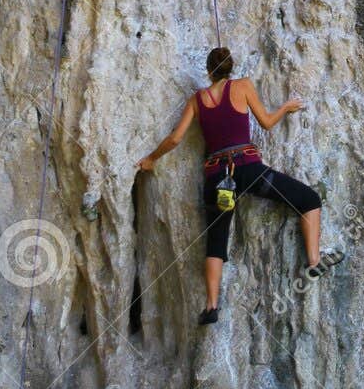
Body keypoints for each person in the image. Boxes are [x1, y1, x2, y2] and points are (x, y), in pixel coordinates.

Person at [137, 46, 342, 325]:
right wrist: (286, 107)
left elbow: (175, 139)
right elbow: (266, 122)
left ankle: (211, 306)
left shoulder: (196, 100)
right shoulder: (242, 86)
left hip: (217, 179)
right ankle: (315, 261)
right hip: (248, 170)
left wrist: (151, 159)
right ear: (230, 67)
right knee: (309, 199)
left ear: (208, 71)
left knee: (217, 238)